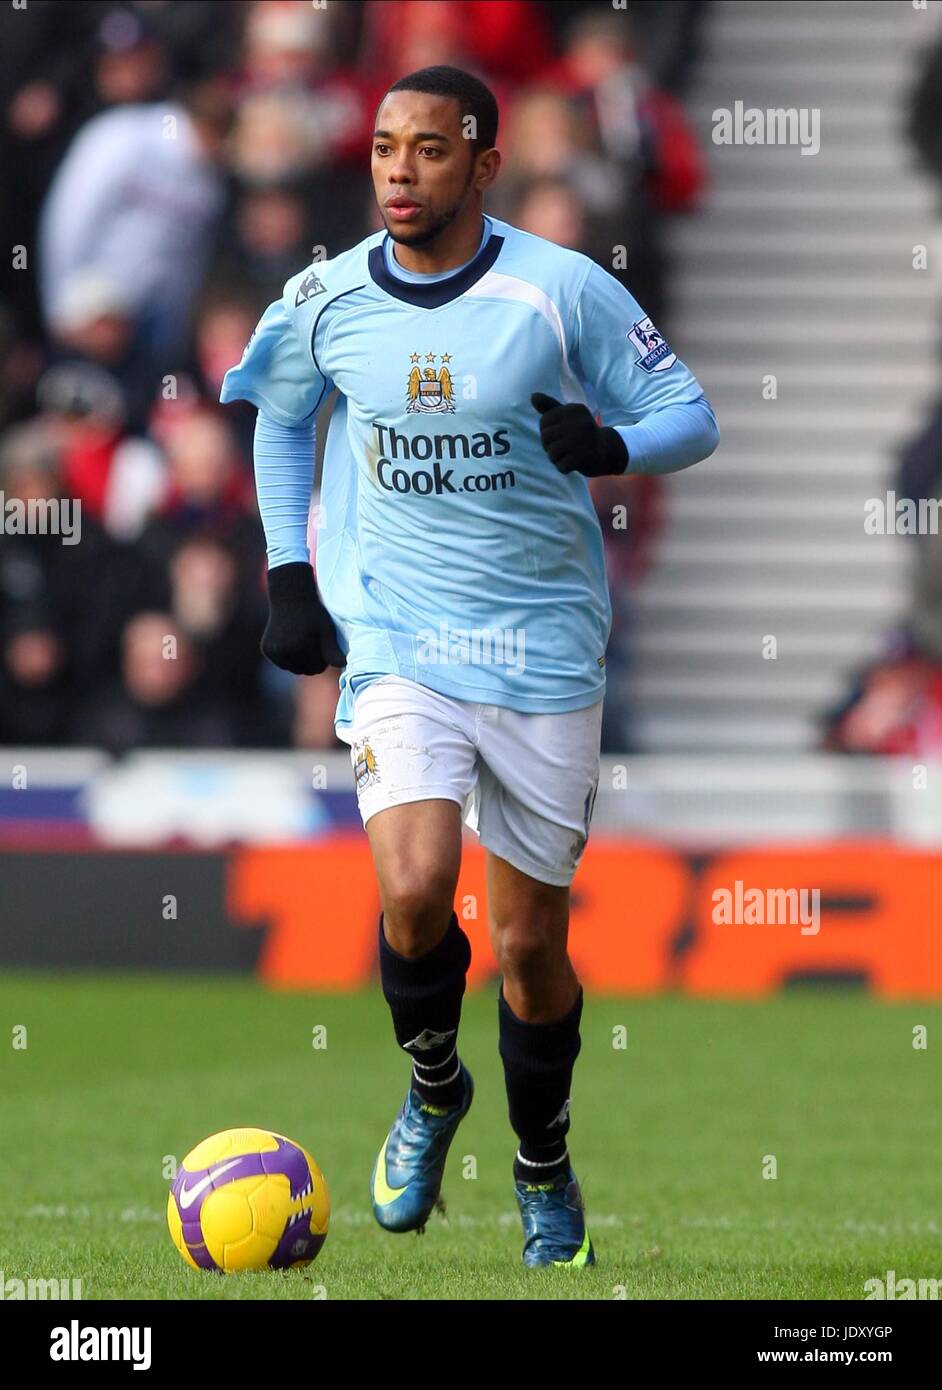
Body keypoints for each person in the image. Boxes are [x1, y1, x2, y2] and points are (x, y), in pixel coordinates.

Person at [220, 64, 719, 1268]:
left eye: (430, 149)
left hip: (545, 647)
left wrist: (610, 442)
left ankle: (541, 1160)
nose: (400, 169)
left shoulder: (563, 292)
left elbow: (691, 412)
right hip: (399, 634)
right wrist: (291, 570)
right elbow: (282, 414)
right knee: (411, 881)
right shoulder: (328, 296)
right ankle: (433, 1086)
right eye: (387, 147)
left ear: (484, 164)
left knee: (531, 948)